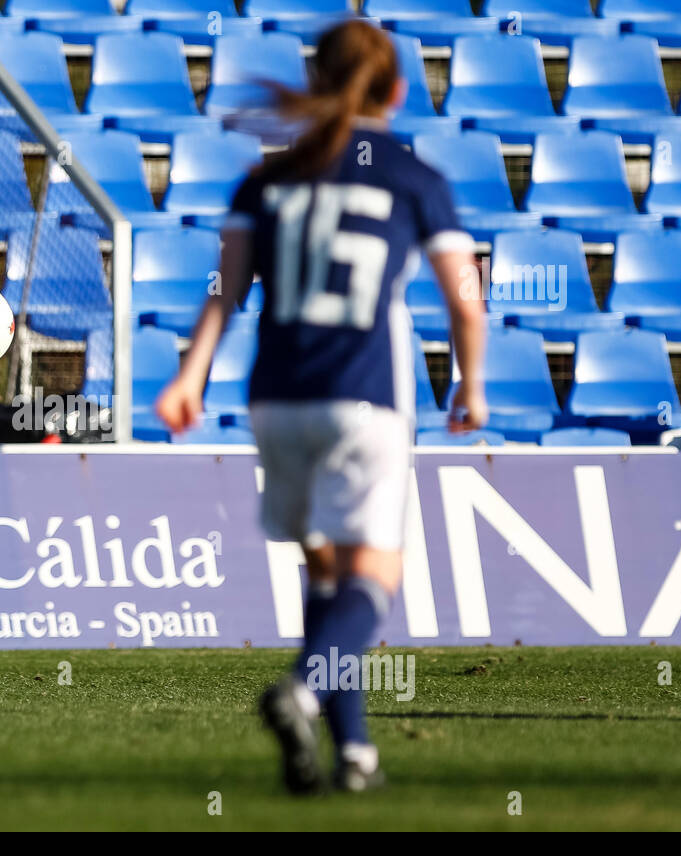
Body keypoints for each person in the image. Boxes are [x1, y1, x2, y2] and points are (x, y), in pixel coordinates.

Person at [156, 21, 488, 794]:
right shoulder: (414, 177)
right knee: (374, 580)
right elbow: (466, 303)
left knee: (327, 577)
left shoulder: (267, 180)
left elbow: (224, 291)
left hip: (276, 399)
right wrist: (469, 385)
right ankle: (301, 691)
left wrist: (191, 376)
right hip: (363, 398)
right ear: (397, 92)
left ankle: (354, 753)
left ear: (316, 77)